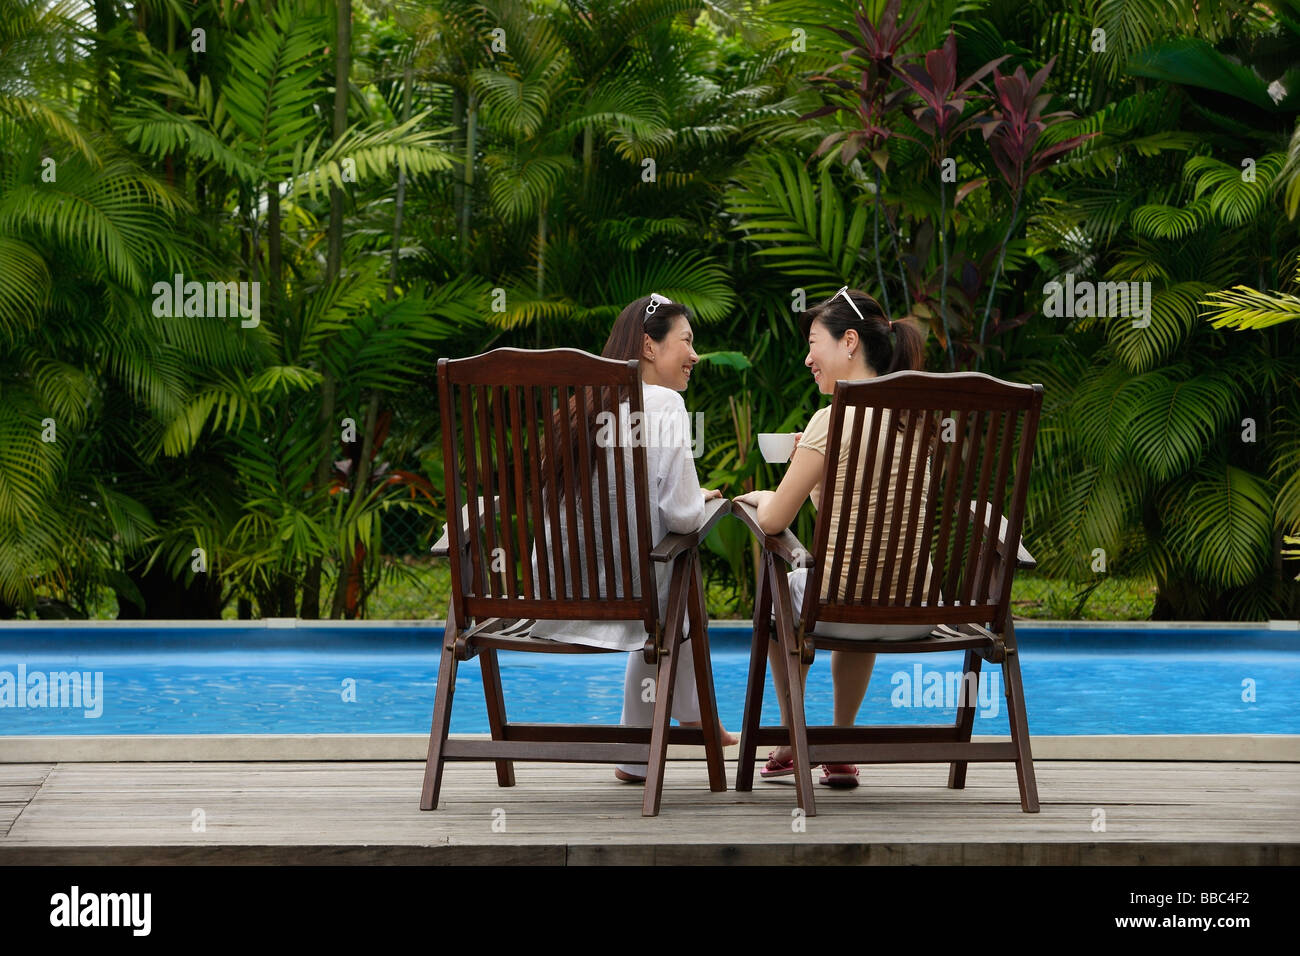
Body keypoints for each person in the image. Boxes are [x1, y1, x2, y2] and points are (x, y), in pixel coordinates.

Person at [524, 293, 737, 782]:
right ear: (648, 345)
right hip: (630, 601)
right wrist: (702, 501)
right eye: (686, 341)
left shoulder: (578, 410)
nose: (695, 354)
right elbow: (682, 519)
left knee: (670, 591)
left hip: (552, 596)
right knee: (677, 575)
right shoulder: (665, 404)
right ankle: (665, 735)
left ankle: (661, 739)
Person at [733, 287, 935, 789]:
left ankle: (791, 732)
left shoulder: (833, 417)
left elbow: (777, 519)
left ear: (849, 341)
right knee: (858, 579)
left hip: (845, 603)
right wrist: (823, 481)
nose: (807, 358)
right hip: (915, 607)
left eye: (813, 343)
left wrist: (758, 495)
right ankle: (840, 741)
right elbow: (863, 523)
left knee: (780, 569)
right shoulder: (915, 420)